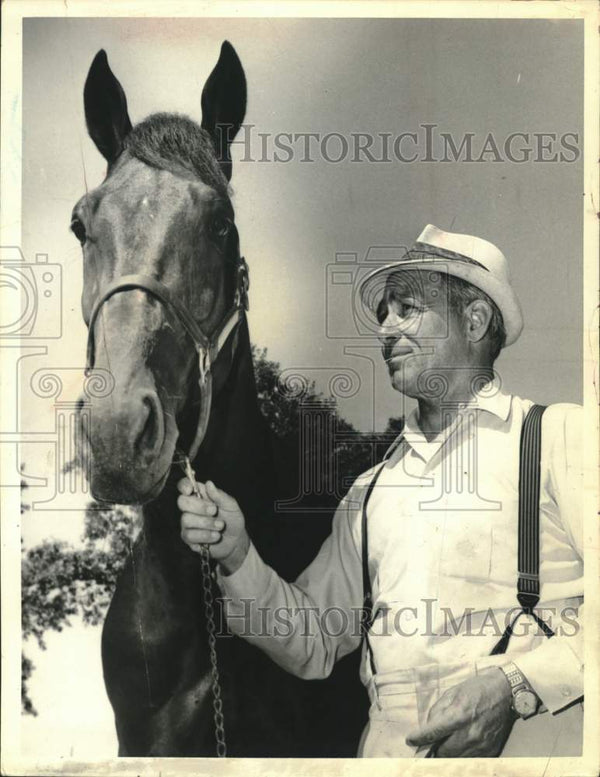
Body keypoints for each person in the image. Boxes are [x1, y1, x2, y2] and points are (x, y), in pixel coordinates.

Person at [178, 224, 583, 757]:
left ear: (475, 319)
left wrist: (514, 686)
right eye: (382, 314)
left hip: (535, 750)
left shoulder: (558, 436)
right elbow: (312, 642)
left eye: (407, 307)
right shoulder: (370, 493)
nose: (386, 328)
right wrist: (237, 555)